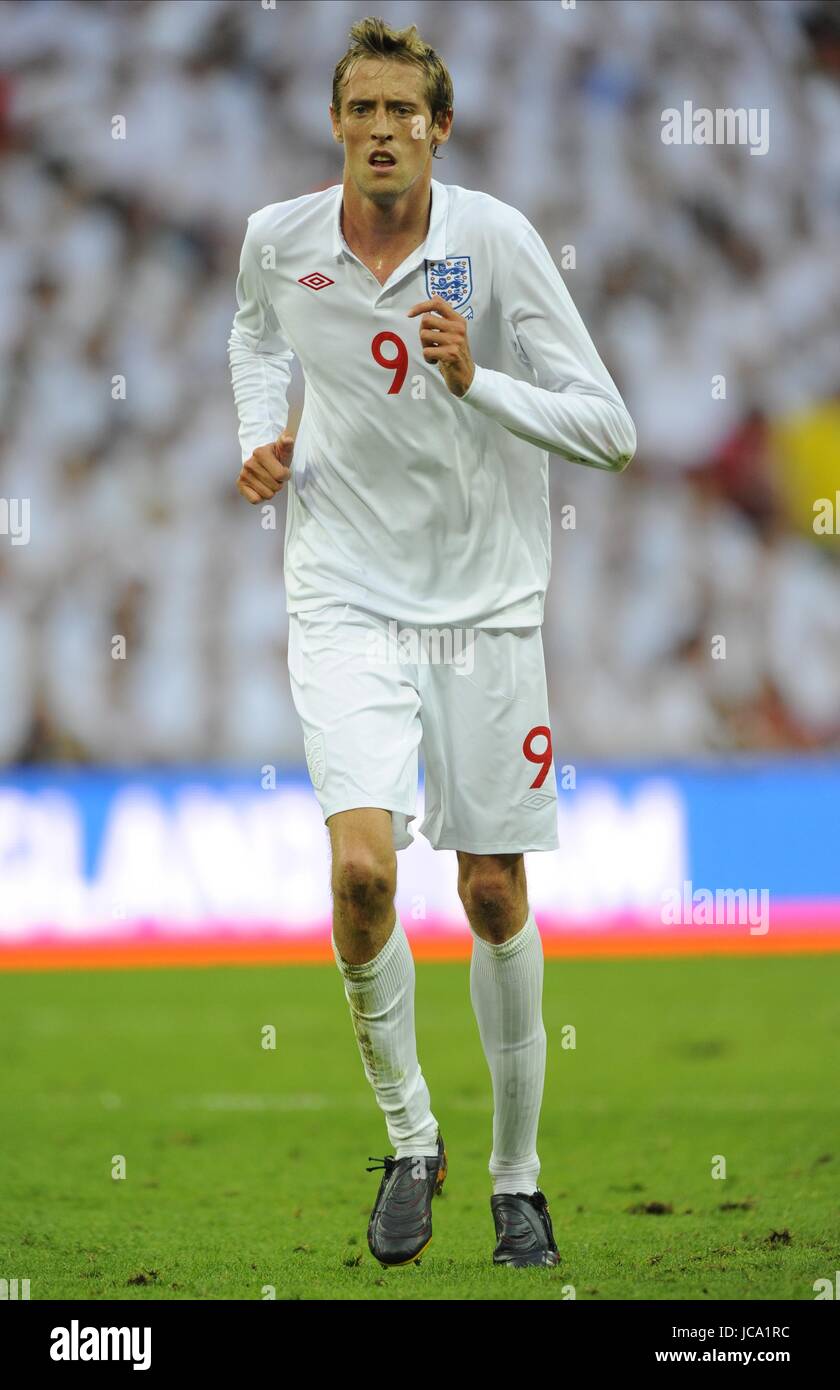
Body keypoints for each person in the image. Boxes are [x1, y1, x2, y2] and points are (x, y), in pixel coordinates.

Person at [227, 16, 635, 1270]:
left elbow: (610, 430)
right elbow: (253, 335)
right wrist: (262, 431)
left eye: (407, 112)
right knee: (361, 877)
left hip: (487, 605)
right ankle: (412, 1138)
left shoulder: (497, 243)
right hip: (345, 594)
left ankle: (518, 1180)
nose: (385, 130)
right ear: (337, 126)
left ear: (440, 130)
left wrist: (482, 387)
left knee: (494, 891)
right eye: (364, 111)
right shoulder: (279, 242)